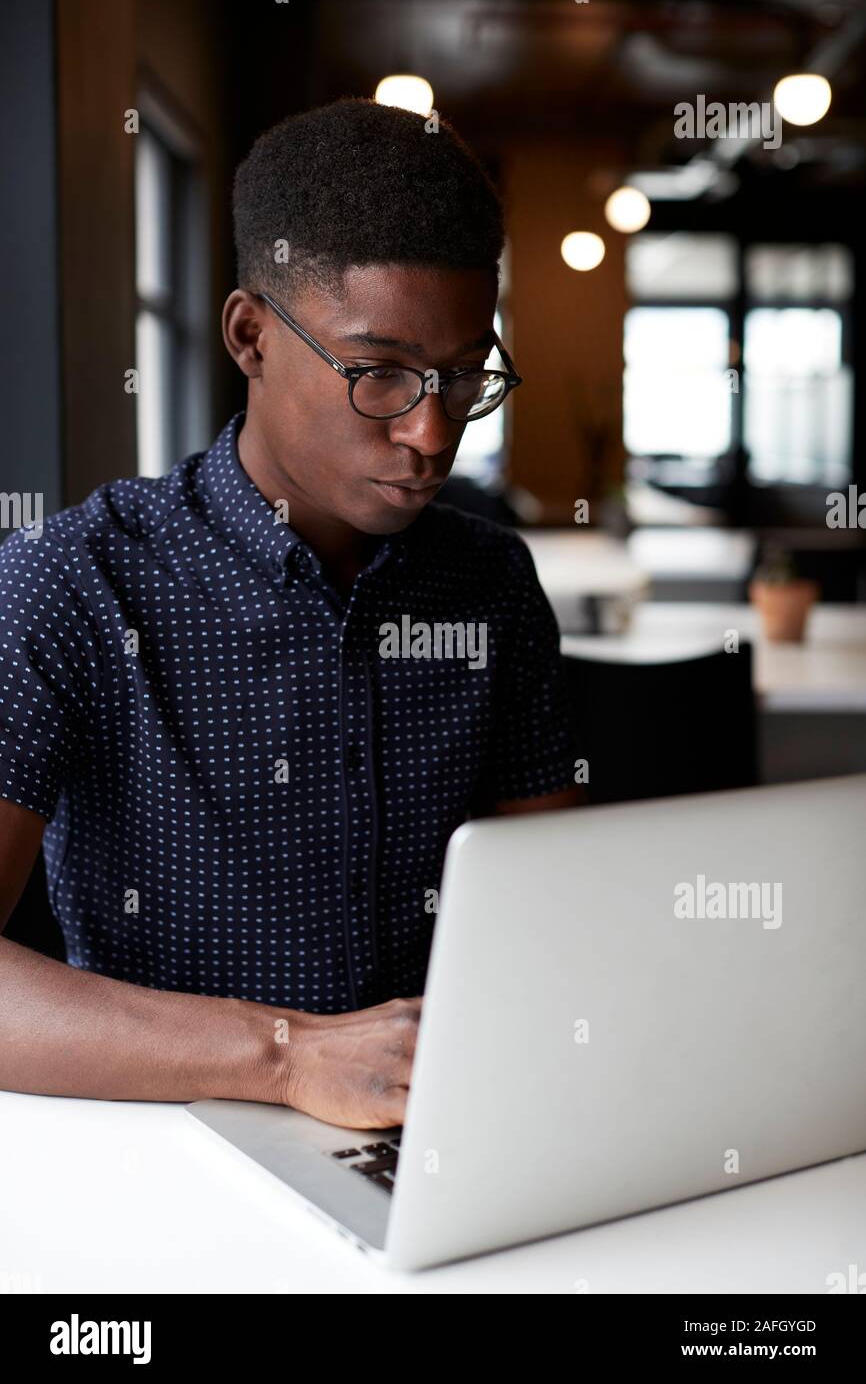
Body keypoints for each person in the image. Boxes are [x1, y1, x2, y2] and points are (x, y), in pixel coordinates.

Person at [0, 98, 580, 1130]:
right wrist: (287, 1057)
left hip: (442, 1139)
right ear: (250, 335)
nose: (429, 430)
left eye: (462, 374)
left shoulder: (491, 585)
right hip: (168, 1149)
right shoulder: (72, 581)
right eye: (381, 371)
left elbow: (552, 918)